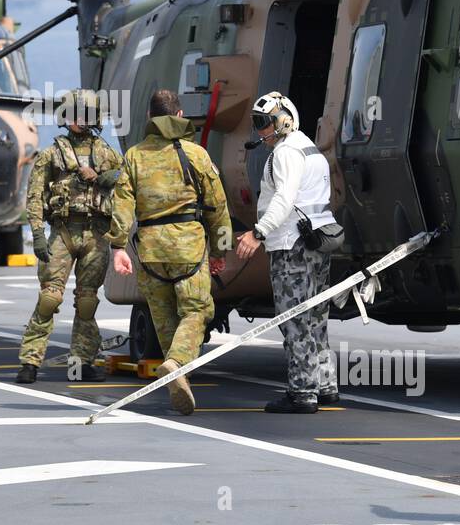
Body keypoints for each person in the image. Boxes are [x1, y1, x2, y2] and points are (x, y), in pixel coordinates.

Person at [106, 89, 231, 415]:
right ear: (179, 117)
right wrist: (220, 250)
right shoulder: (196, 154)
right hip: (188, 249)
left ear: (150, 119)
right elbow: (217, 206)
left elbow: (121, 205)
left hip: (149, 251)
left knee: (165, 320)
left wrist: (118, 247)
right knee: (197, 311)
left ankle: (178, 373)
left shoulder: (134, 156)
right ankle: (177, 364)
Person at [236, 92, 344, 414]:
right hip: (315, 244)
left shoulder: (285, 153)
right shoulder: (310, 149)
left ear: (282, 121)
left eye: (264, 124)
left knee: (294, 320)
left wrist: (258, 233)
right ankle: (324, 385)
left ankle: (302, 393)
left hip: (291, 247)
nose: (260, 132)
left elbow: (283, 200)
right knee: (316, 318)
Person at [16, 89, 122, 384]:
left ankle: (83, 362)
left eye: (85, 115)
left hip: (96, 234)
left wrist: (101, 178)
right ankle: (30, 362)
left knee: (87, 302)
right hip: (62, 232)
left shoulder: (106, 153)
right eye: (74, 114)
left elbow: (126, 177)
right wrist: (37, 233)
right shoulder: (51, 154)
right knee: (49, 299)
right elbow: (35, 196)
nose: (78, 120)